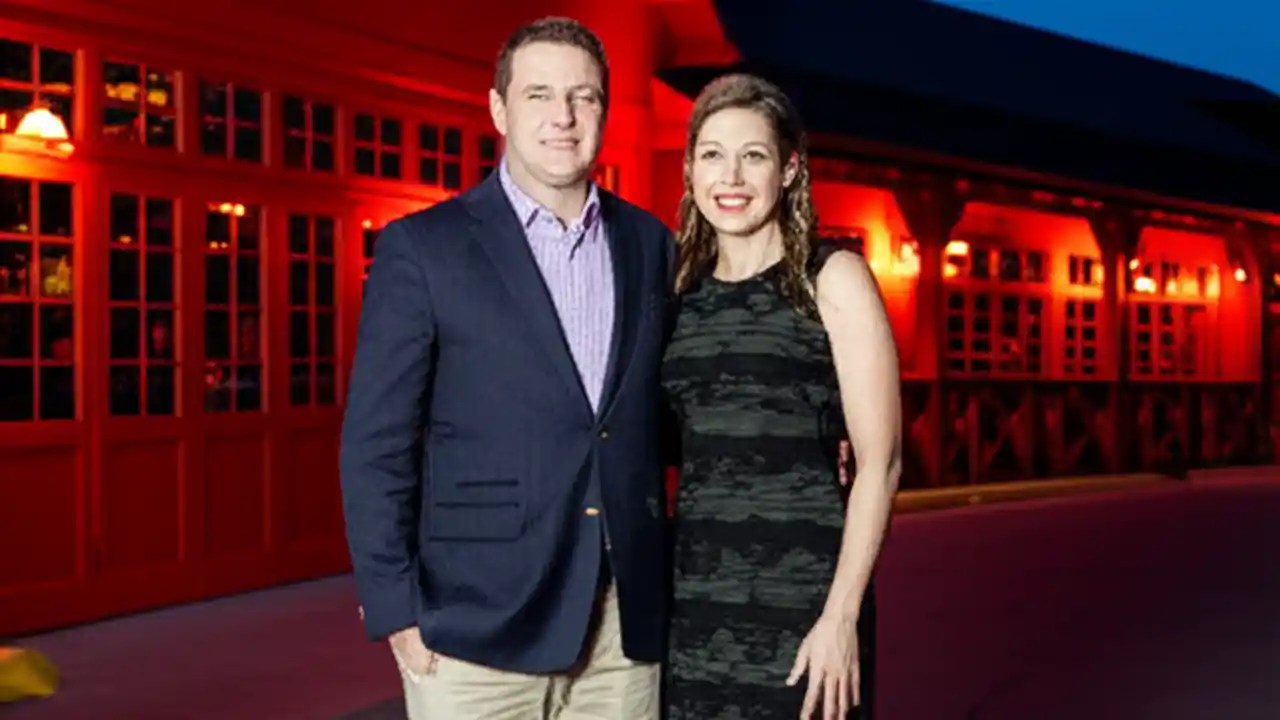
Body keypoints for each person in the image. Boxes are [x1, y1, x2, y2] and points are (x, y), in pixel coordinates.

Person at [339, 16, 675, 720]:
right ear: (498, 109)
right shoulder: (422, 248)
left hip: (621, 625)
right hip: (471, 625)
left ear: (604, 113)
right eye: (540, 95)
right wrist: (394, 606)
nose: (563, 116)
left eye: (583, 97)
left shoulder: (651, 246)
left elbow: (666, 414)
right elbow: (377, 443)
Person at [661, 73, 902, 720]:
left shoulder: (834, 278)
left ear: (790, 169)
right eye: (712, 155)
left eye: (754, 155)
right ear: (689, 172)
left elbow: (881, 463)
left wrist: (841, 616)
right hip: (695, 608)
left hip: (805, 603)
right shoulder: (676, 295)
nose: (731, 176)